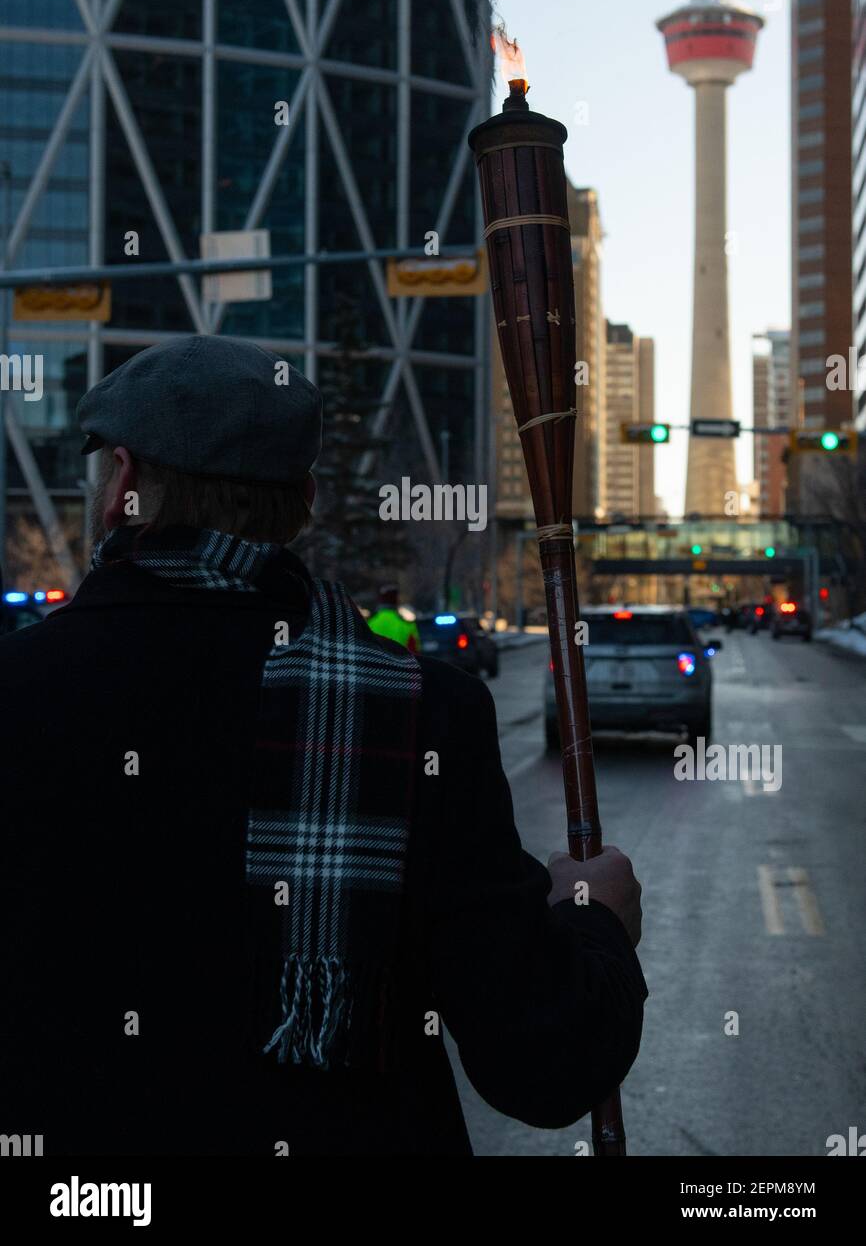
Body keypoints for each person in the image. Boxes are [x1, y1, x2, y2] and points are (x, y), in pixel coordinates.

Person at [0, 335, 647, 1157]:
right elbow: (543, 1062)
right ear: (303, 502)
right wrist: (596, 927)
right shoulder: (421, 711)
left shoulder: (17, 688)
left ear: (121, 482)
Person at [368, 583, 420, 653]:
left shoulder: (370, 623)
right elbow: (414, 652)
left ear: (380, 600)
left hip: (377, 662)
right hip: (401, 662)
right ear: (397, 600)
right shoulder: (407, 624)